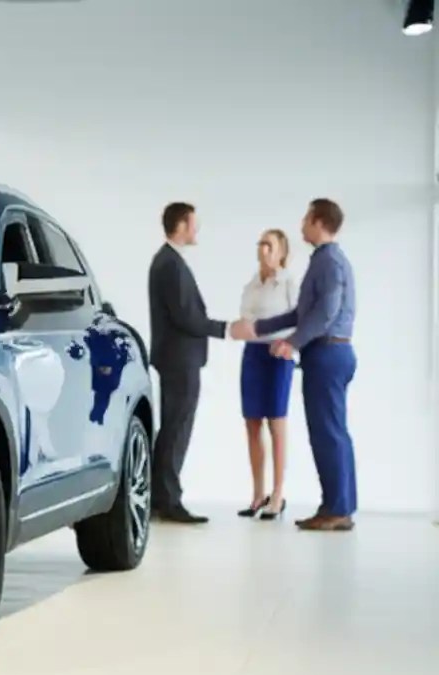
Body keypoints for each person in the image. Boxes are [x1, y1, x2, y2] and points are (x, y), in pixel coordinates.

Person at [230, 198, 357, 531]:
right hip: (329, 354)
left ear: (319, 221)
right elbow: (301, 314)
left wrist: (293, 342)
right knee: (333, 433)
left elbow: (325, 312)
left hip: (328, 354)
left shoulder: (328, 261)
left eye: (306, 218)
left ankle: (336, 509)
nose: (302, 224)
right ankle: (340, 506)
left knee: (328, 434)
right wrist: (258, 328)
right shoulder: (325, 260)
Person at [147, 202, 228, 524]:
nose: (197, 229)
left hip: (175, 358)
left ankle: (160, 496)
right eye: (194, 223)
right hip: (179, 359)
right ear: (181, 225)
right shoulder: (170, 264)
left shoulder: (168, 261)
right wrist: (224, 329)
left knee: (173, 426)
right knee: (177, 428)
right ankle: (168, 500)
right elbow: (187, 317)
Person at [236, 230, 298, 520]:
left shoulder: (288, 283)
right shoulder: (251, 284)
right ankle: (258, 494)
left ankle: (278, 493)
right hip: (253, 353)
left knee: (277, 423)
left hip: (278, 355)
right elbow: (245, 319)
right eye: (260, 244)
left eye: (269, 245)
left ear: (281, 252)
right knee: (252, 422)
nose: (263, 249)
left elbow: (297, 319)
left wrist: (286, 342)